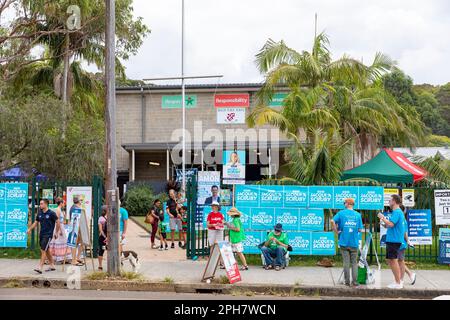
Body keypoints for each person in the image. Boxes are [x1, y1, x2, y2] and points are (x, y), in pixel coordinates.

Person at [331, 198, 364, 287]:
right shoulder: (357, 215)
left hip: (344, 241)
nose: (343, 204)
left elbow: (332, 221)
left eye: (344, 202)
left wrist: (336, 231)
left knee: (346, 262)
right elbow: (360, 229)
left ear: (347, 204)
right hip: (354, 242)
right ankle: (355, 282)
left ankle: (347, 281)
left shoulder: (341, 213)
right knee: (354, 262)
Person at [378, 194, 407, 289]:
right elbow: (389, 225)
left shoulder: (397, 212)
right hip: (392, 239)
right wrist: (383, 222)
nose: (389, 202)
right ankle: (397, 281)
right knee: (391, 260)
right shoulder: (396, 212)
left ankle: (398, 283)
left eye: (390, 200)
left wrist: (383, 218)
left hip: (394, 240)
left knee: (394, 261)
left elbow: (390, 224)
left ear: (394, 201)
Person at [27, 199, 61, 274]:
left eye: (42, 204)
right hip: (41, 234)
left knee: (43, 250)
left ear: (46, 204)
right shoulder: (40, 213)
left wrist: (56, 232)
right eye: (40, 203)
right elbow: (35, 223)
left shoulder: (51, 213)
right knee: (47, 249)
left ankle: (40, 267)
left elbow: (58, 222)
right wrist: (29, 229)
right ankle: (52, 265)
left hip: (48, 235)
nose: (40, 205)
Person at [398, 205, 417, 286]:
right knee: (397, 261)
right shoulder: (400, 218)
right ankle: (410, 275)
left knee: (400, 261)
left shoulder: (402, 219)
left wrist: (408, 241)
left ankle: (401, 280)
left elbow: (404, 232)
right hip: (398, 242)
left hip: (401, 243)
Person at [48, 197, 69, 263]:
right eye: (63, 203)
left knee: (61, 242)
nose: (64, 204)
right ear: (61, 203)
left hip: (61, 226)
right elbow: (57, 221)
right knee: (56, 242)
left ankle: (62, 258)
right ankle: (52, 258)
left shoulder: (61, 210)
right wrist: (58, 230)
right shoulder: (57, 210)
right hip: (59, 227)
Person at [69, 197, 84, 266]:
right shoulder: (77, 208)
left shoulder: (73, 207)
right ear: (78, 201)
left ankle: (77, 258)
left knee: (79, 242)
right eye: (81, 200)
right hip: (76, 228)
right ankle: (74, 259)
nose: (81, 202)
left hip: (76, 228)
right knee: (75, 243)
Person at [97, 205, 108, 271]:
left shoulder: (100, 218)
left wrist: (105, 237)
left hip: (102, 238)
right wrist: (107, 238)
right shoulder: (111, 217)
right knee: (109, 251)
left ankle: (100, 266)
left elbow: (100, 230)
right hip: (109, 238)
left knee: (101, 251)